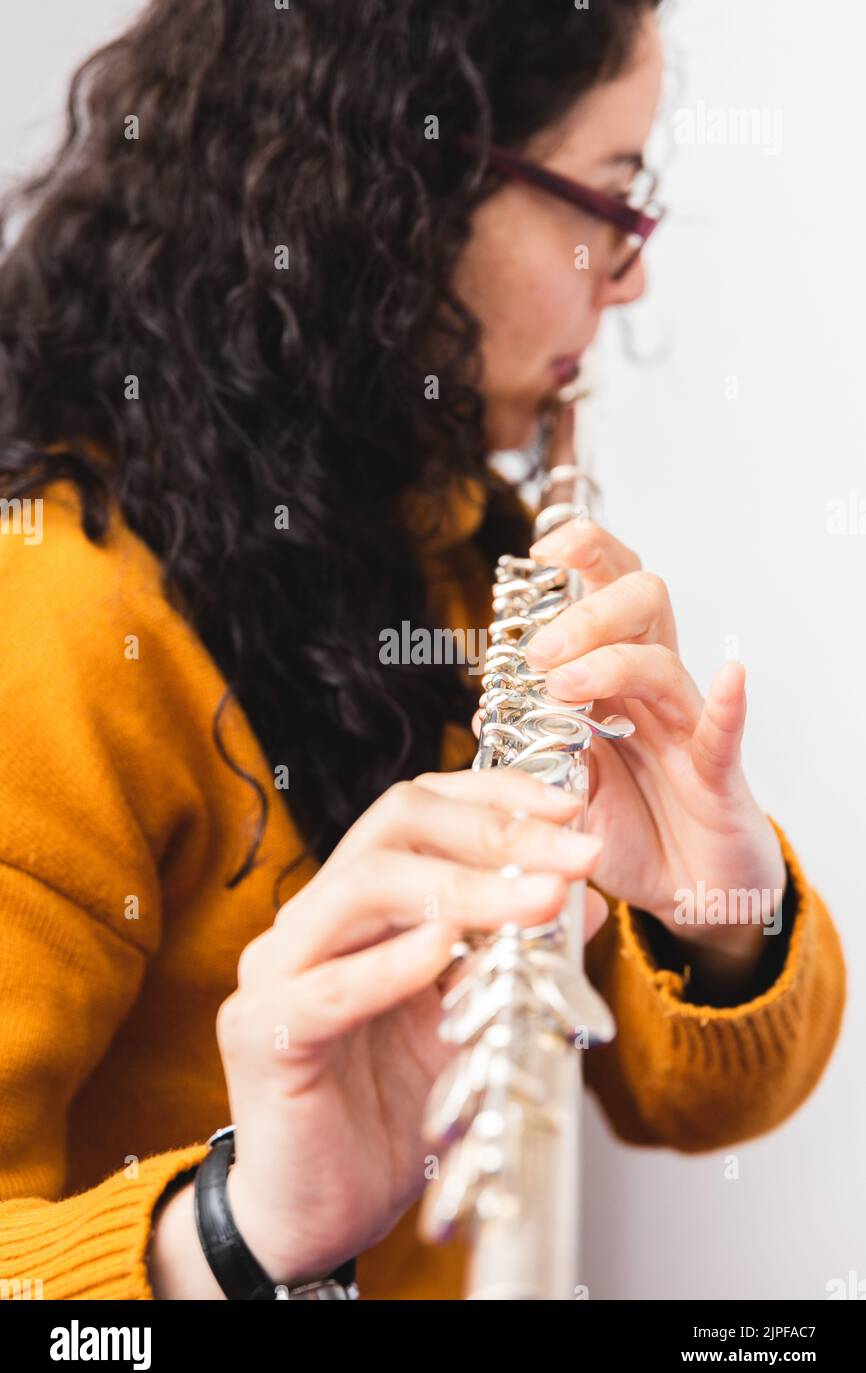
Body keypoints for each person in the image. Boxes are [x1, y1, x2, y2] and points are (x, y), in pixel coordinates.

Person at [0, 0, 845, 1301]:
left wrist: (717, 918)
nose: (629, 275)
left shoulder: (456, 535)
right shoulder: (46, 619)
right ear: (396, 185)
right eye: (607, 198)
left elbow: (695, 1105)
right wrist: (226, 1232)